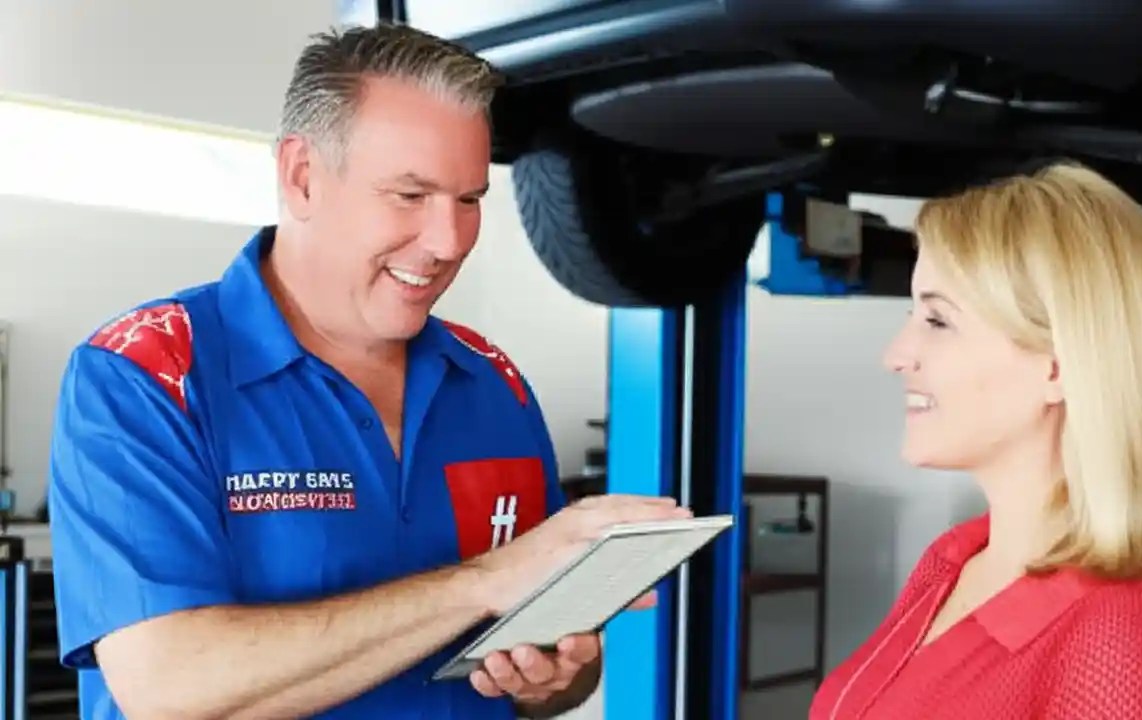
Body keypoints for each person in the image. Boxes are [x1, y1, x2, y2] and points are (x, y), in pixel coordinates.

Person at [46, 23, 687, 720]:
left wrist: (554, 673)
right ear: (303, 177)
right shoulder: (145, 376)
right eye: (410, 195)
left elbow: (559, 676)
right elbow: (169, 688)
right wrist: (484, 583)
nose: (448, 241)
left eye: (469, 200)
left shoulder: (492, 381)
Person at [810, 162, 1142, 719]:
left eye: (938, 320)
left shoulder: (1114, 630)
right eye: (913, 313)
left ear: (1059, 367)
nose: (896, 354)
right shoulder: (955, 558)